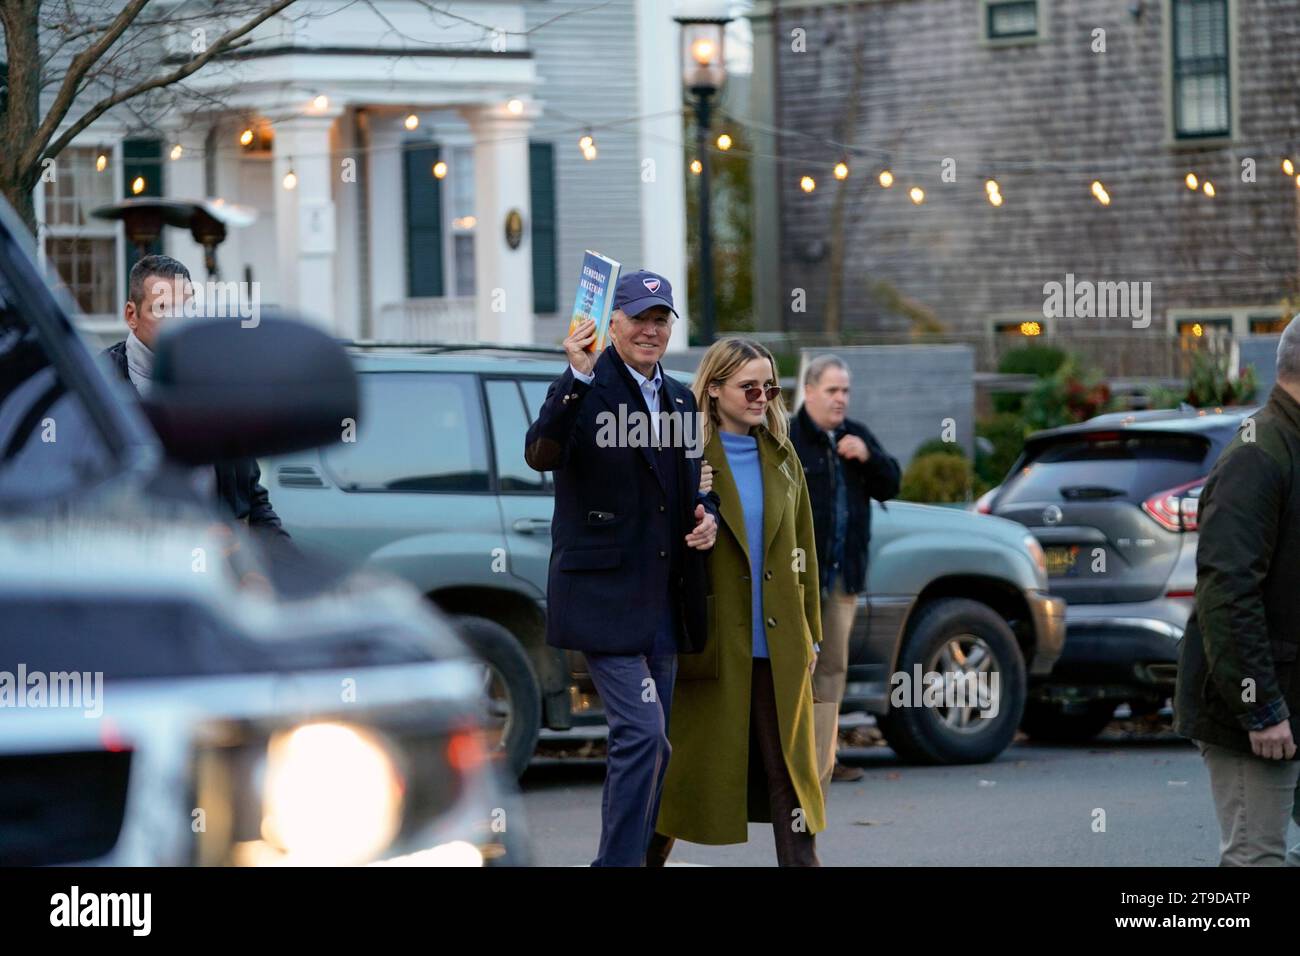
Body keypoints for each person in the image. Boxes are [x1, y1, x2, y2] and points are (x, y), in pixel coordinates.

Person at [524, 269, 719, 867]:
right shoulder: (587, 385)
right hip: (603, 599)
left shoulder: (683, 398)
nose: (650, 330)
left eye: (661, 320)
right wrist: (577, 375)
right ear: (613, 323)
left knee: (648, 749)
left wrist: (707, 514)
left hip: (664, 599)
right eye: (638, 317)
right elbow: (540, 453)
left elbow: (692, 486)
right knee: (643, 735)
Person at [649, 337, 826, 866]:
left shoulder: (783, 455)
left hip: (780, 641)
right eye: (749, 386)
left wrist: (811, 630)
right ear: (715, 387)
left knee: (789, 775)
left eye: (769, 387)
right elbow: (660, 544)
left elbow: (804, 547)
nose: (762, 397)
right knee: (680, 778)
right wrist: (688, 502)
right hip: (711, 642)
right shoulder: (686, 453)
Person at [1174, 323, 1300, 866]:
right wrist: (1260, 707)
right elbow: (1227, 591)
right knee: (1256, 859)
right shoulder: (1259, 453)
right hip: (1257, 706)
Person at [102, 254, 289, 540]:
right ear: (131, 315)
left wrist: (283, 565)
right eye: (163, 309)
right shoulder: (97, 386)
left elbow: (252, 499)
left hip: (215, 569)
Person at [788, 354, 900, 788]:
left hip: (842, 578)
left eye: (846, 392)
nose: (840, 400)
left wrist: (868, 457)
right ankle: (786, 764)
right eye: (832, 390)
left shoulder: (856, 436)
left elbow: (892, 483)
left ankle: (821, 763)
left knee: (832, 667)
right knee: (793, 668)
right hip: (797, 579)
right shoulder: (791, 436)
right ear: (810, 390)